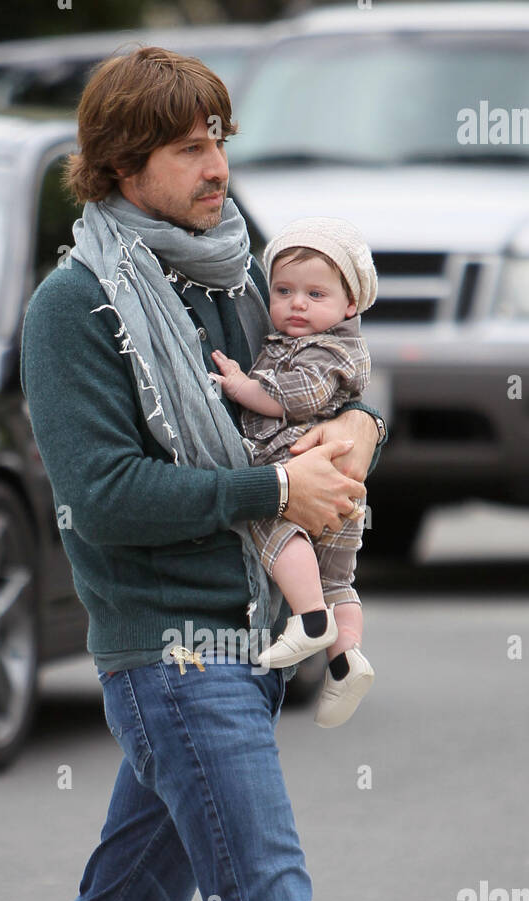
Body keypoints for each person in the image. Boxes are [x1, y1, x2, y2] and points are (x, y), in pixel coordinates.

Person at [0, 46, 495, 901]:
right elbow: (106, 494)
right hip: (170, 654)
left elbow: (326, 373)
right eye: (190, 147)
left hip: (246, 643)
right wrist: (275, 483)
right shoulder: (74, 309)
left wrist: (352, 429)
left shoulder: (236, 264)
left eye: (220, 138)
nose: (218, 167)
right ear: (122, 163)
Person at [209, 217, 378, 728]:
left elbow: (293, 398)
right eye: (283, 291)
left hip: (303, 474)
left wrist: (241, 387)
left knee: (272, 521)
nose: (297, 304)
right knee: (338, 580)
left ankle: (307, 621)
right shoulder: (310, 340)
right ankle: (346, 662)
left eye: (315, 293)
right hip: (343, 488)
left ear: (351, 305)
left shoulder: (330, 350)